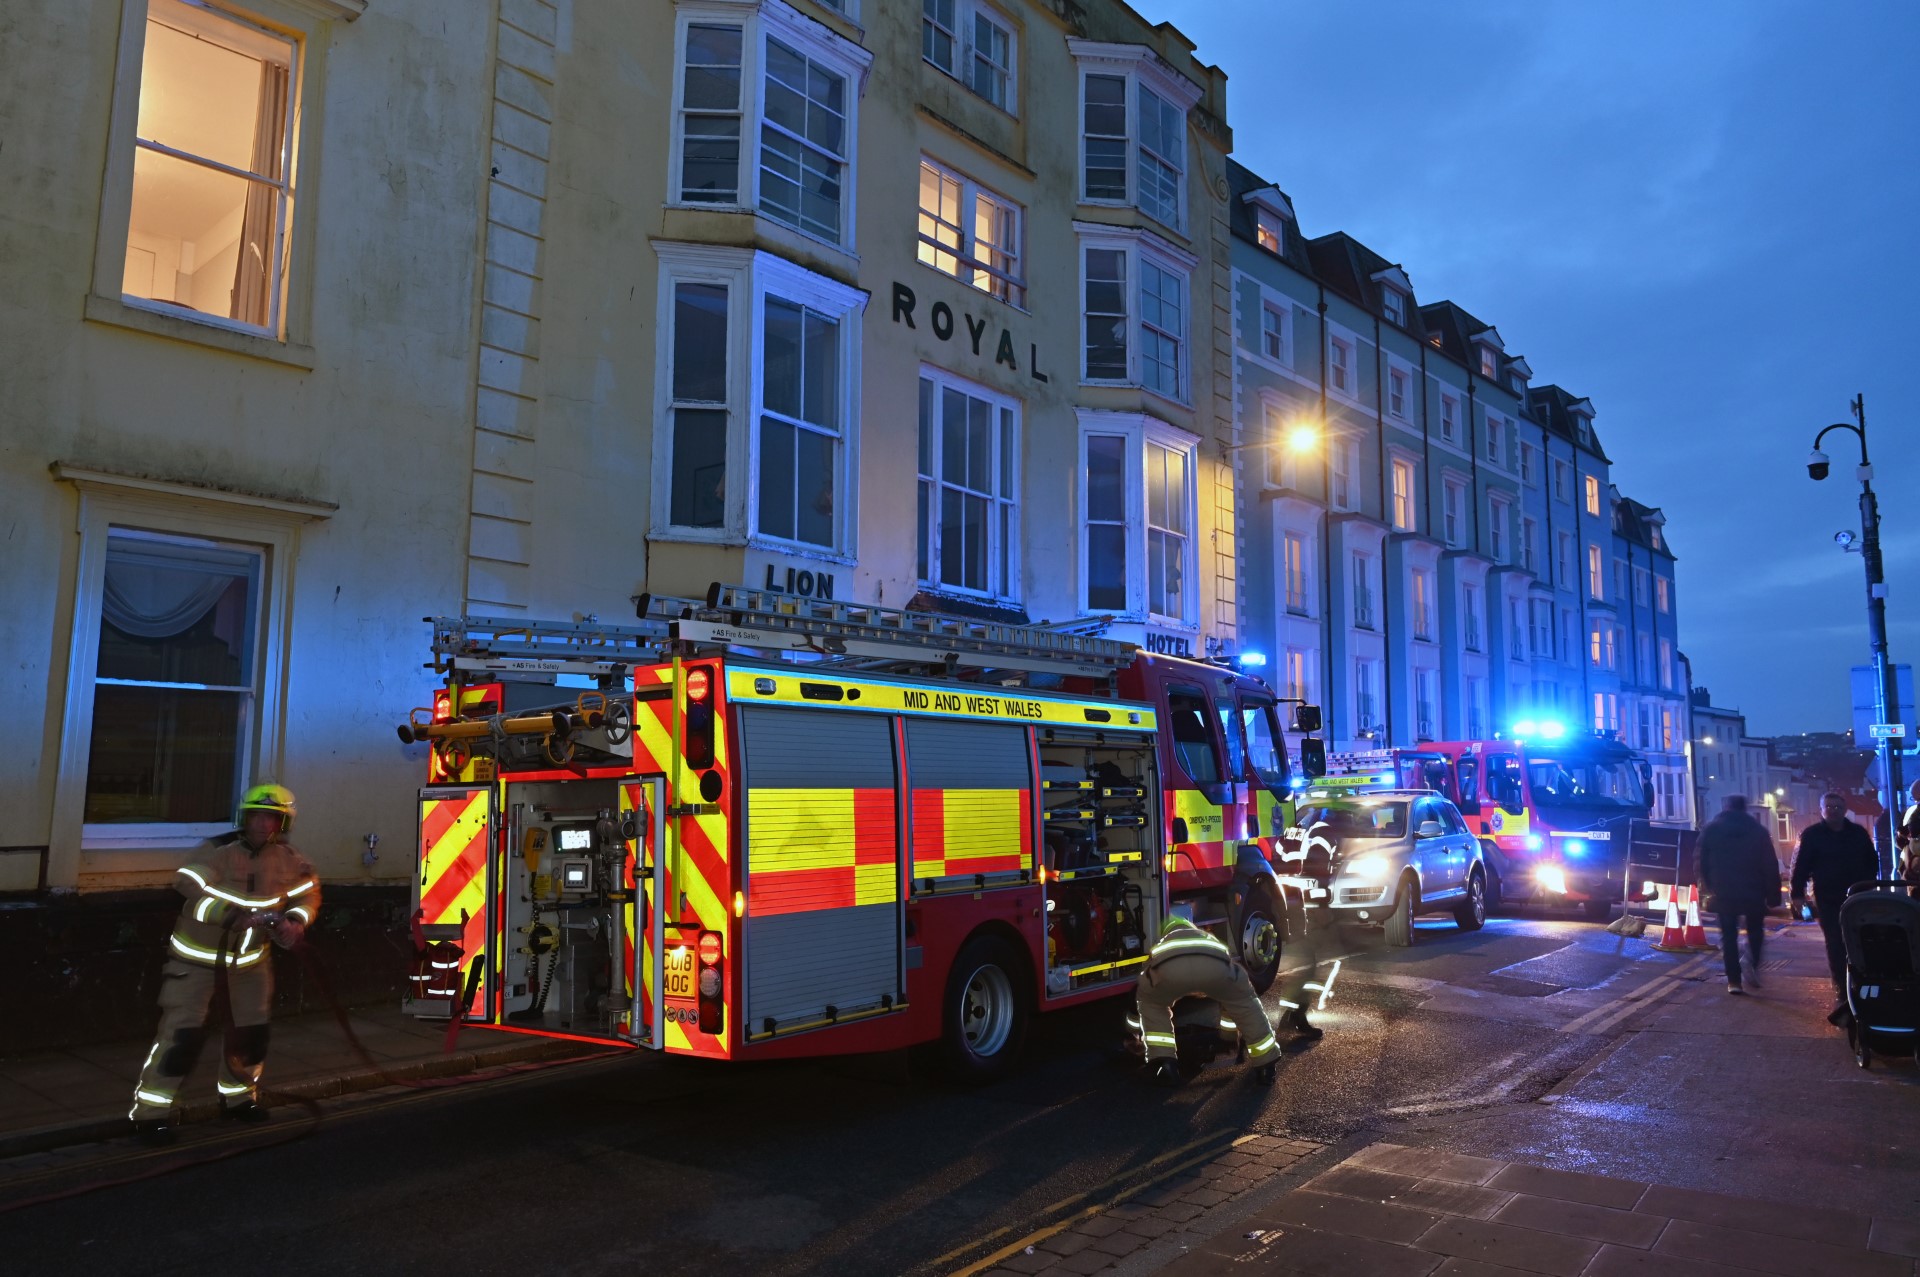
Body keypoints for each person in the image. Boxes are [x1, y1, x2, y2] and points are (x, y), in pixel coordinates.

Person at [129, 784, 321, 1145]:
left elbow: (308, 892)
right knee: (181, 1036)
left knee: (250, 1035)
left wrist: (294, 921)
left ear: (283, 823)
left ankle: (238, 1100)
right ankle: (150, 1115)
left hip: (250, 964)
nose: (263, 824)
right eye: (256, 816)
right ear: (243, 817)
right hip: (196, 961)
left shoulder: (289, 859)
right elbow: (186, 884)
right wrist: (229, 915)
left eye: (272, 818)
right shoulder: (216, 851)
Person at [1136, 911, 1280, 1088]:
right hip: (1214, 968)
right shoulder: (1206, 936)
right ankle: (1265, 1065)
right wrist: (1228, 1036)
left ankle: (1164, 1062)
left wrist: (1134, 1028)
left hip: (1170, 970)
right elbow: (1226, 963)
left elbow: (1147, 974)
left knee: (1152, 1004)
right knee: (1241, 1001)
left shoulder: (1162, 941)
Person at [1790, 791, 1878, 1012]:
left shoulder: (1857, 833)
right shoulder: (1812, 835)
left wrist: (1869, 886)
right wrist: (1797, 894)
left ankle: (1859, 982)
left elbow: (1871, 861)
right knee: (1835, 941)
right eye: (1828, 806)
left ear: (1844, 809)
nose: (1833, 810)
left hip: (1857, 895)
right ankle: (1841, 985)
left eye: (1837, 807)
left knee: (1859, 940)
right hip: (1827, 896)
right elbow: (1801, 866)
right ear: (1821, 809)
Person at [1695, 795, 1779, 995]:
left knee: (1728, 935)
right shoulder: (1758, 831)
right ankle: (1751, 962)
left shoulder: (1711, 829)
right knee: (1755, 931)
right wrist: (1773, 894)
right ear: (1745, 809)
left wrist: (1706, 886)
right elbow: (1769, 864)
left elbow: (1700, 861)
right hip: (1754, 889)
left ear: (1725, 807)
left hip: (1723, 889)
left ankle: (1734, 981)